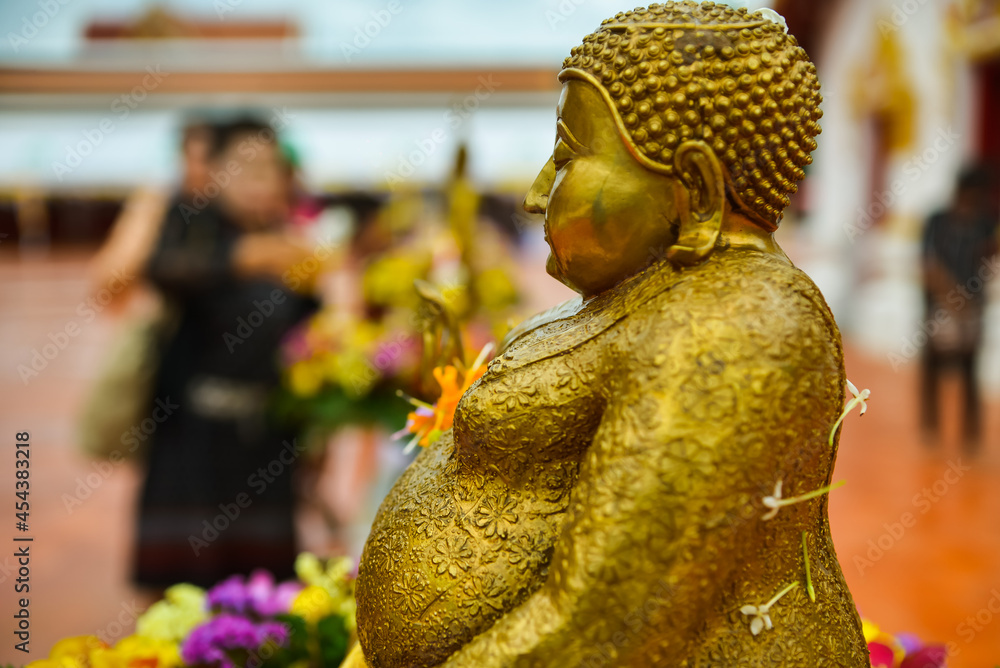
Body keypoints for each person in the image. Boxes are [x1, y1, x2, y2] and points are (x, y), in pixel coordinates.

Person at [346, 4, 867, 667]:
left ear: (697, 191)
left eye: (568, 154)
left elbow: (609, 619)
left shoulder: (740, 324)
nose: (536, 194)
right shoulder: (643, 293)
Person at [134, 118, 321, 588]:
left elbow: (305, 333)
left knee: (265, 586)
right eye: (245, 168)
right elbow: (162, 270)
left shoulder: (291, 237)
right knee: (185, 584)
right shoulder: (192, 222)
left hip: (266, 440)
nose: (259, 182)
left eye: (270, 169)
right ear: (213, 171)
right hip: (192, 439)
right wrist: (246, 255)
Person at [920, 166, 998, 455]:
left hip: (972, 308)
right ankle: (930, 429)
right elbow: (928, 264)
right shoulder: (937, 221)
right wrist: (951, 297)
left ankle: (970, 436)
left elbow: (989, 261)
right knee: (932, 369)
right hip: (940, 307)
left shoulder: (985, 224)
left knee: (969, 372)